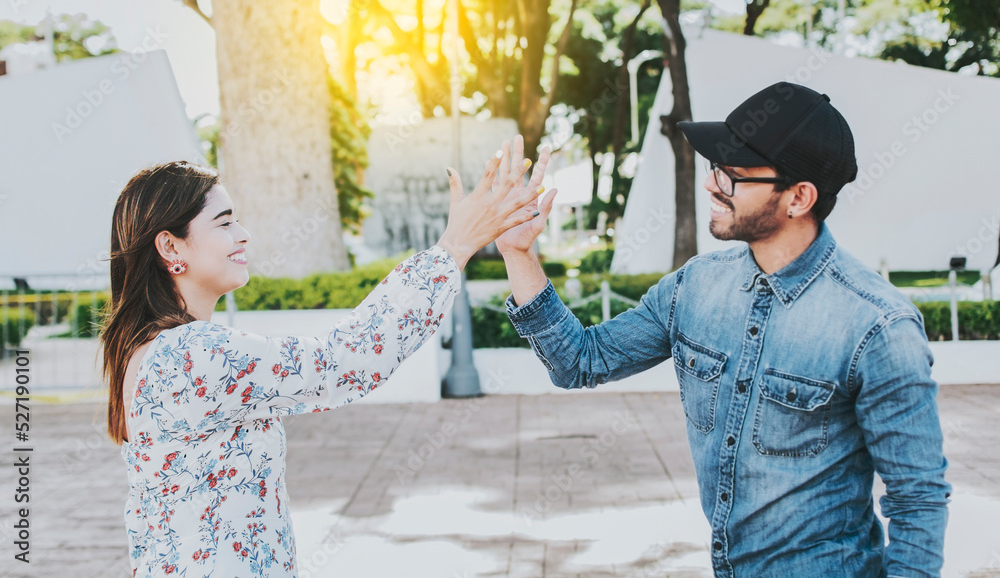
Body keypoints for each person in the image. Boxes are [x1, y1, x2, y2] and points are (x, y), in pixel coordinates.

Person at [496, 83, 950, 577]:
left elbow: (918, 501)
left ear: (799, 197)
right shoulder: (695, 287)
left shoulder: (877, 325)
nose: (712, 185)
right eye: (716, 167)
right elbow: (579, 361)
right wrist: (519, 254)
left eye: (734, 176)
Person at [102, 155, 540, 577]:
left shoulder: (148, 351)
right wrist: (455, 247)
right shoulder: (192, 355)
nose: (243, 234)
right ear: (169, 245)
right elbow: (342, 361)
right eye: (224, 222)